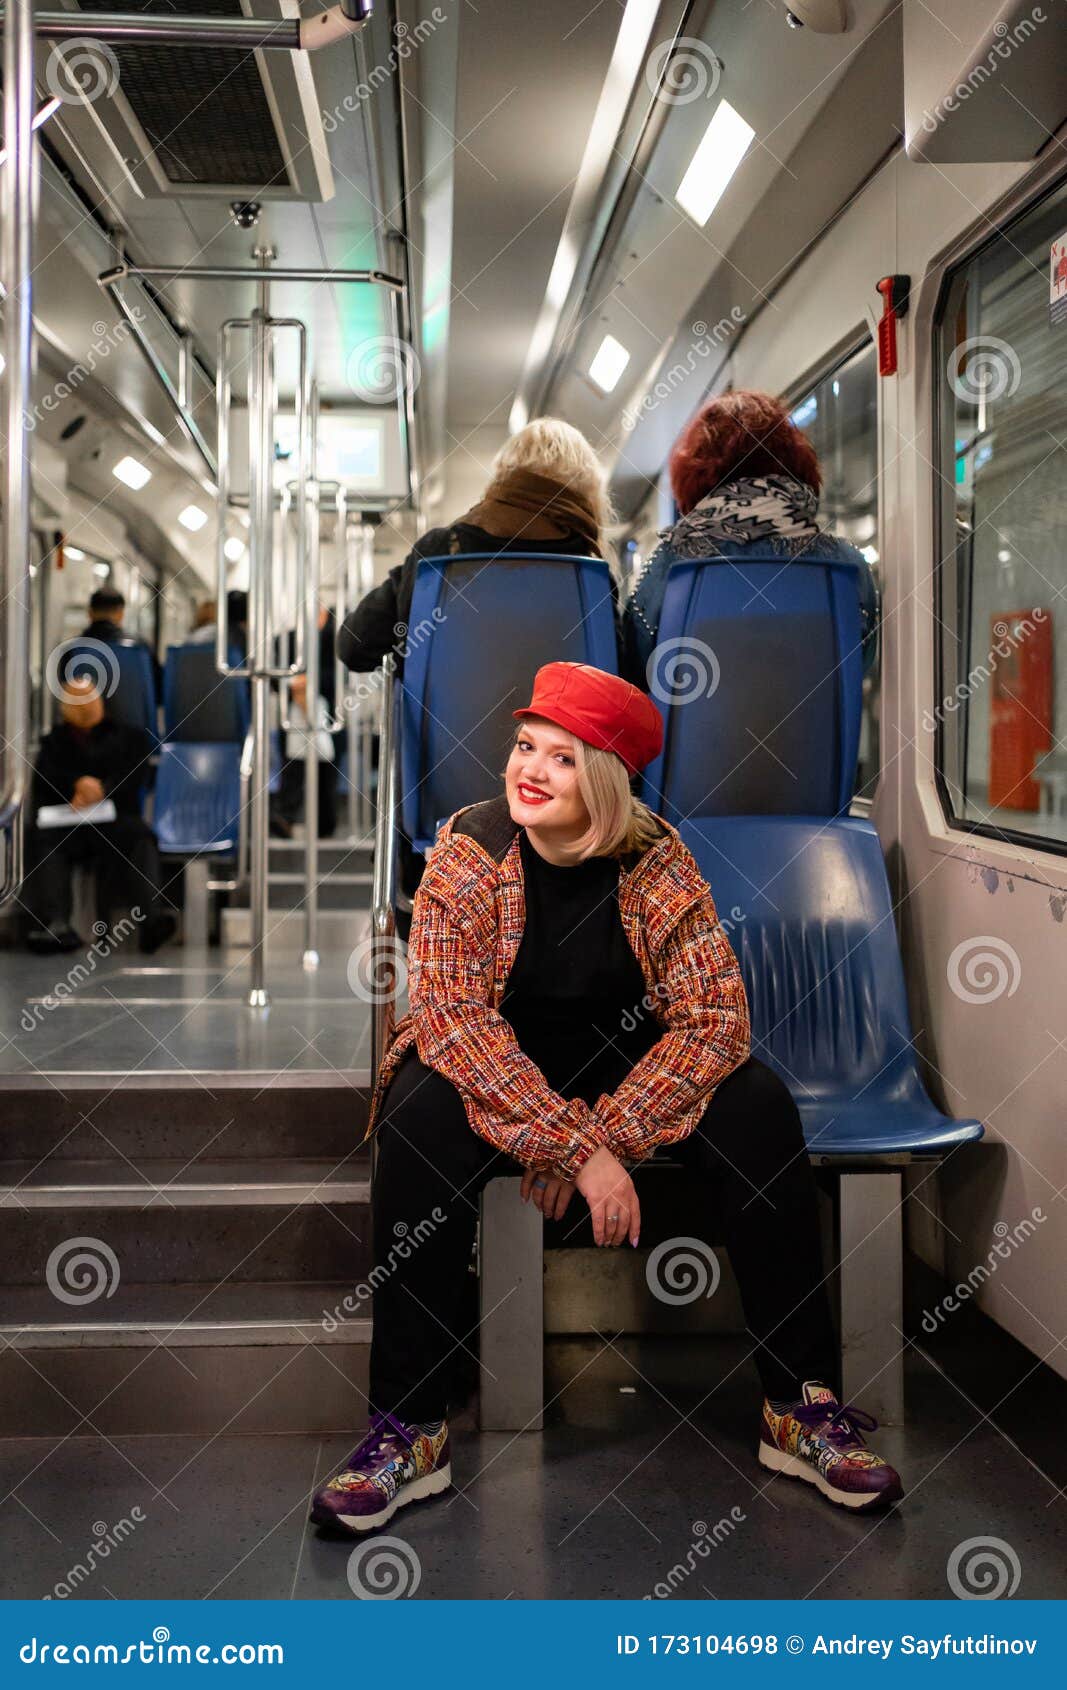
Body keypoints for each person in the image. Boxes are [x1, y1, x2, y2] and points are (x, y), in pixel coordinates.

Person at [310, 661, 903, 1537]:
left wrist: (606, 1137)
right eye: (523, 747)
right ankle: (409, 1429)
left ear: (606, 780)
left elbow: (714, 1022)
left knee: (757, 1105)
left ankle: (799, 1407)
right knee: (418, 1110)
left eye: (559, 757)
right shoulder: (466, 852)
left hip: (628, 1072)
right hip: (496, 1072)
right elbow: (454, 1024)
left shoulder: (657, 859)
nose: (528, 770)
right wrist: (572, 1149)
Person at [623, 390, 878, 683]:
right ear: (796, 464)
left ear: (694, 475)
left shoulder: (673, 561)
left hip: (701, 730)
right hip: (814, 730)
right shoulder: (846, 565)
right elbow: (859, 665)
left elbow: (638, 669)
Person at [337, 417, 617, 676]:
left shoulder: (440, 550)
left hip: (442, 730)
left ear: (504, 475)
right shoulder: (590, 574)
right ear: (586, 492)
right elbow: (620, 673)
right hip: (564, 730)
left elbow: (354, 647)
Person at [22, 677, 178, 955]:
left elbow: (134, 778)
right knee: (44, 838)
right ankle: (54, 924)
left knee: (140, 836)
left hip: (114, 821)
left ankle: (151, 920)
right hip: (70, 823)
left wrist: (103, 789)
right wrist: (76, 786)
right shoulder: (54, 742)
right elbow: (45, 781)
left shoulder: (129, 738)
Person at [272, 672, 338, 839]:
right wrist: (294, 683)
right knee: (294, 765)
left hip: (325, 702)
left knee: (322, 765)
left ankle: (323, 822)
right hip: (296, 706)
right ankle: (286, 817)